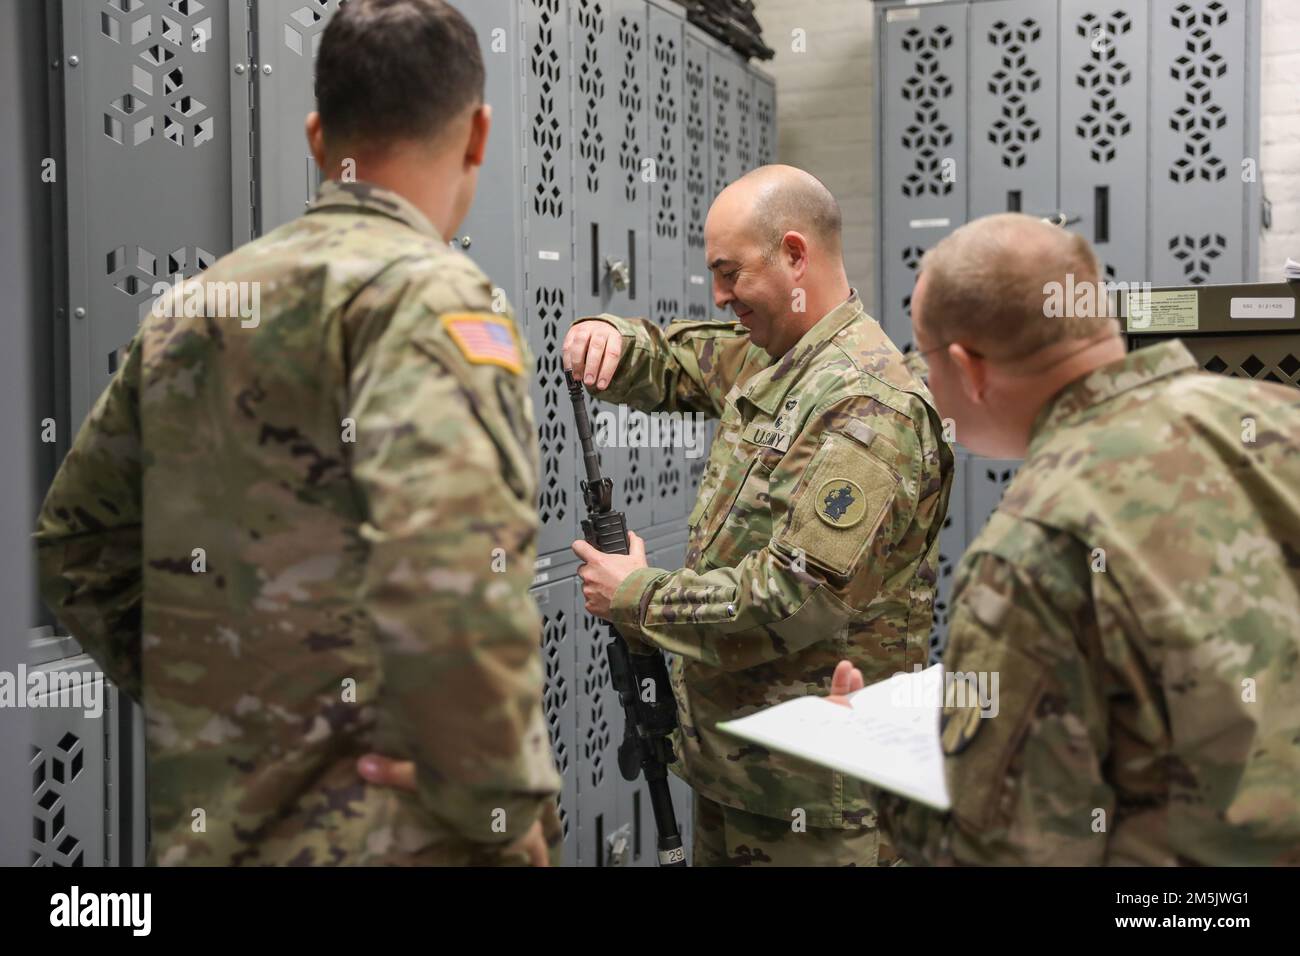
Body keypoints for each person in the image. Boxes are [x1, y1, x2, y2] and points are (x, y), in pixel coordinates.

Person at [34, 0, 561, 866]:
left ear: (318, 139)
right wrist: (498, 809)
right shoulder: (433, 298)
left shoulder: (194, 307)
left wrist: (234, 707)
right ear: (478, 136)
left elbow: (77, 544)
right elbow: (450, 572)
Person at [833, 212, 1300, 865]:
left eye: (928, 363)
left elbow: (1002, 851)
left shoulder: (1032, 549)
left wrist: (872, 758)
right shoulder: (1279, 419)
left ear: (969, 369)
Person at [564, 165, 953, 866]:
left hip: (818, 799)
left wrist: (636, 596)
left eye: (729, 272)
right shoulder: (779, 357)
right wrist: (612, 338)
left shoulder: (866, 405)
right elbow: (679, 361)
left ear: (795, 255)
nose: (718, 295)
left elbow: (790, 598)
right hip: (739, 771)